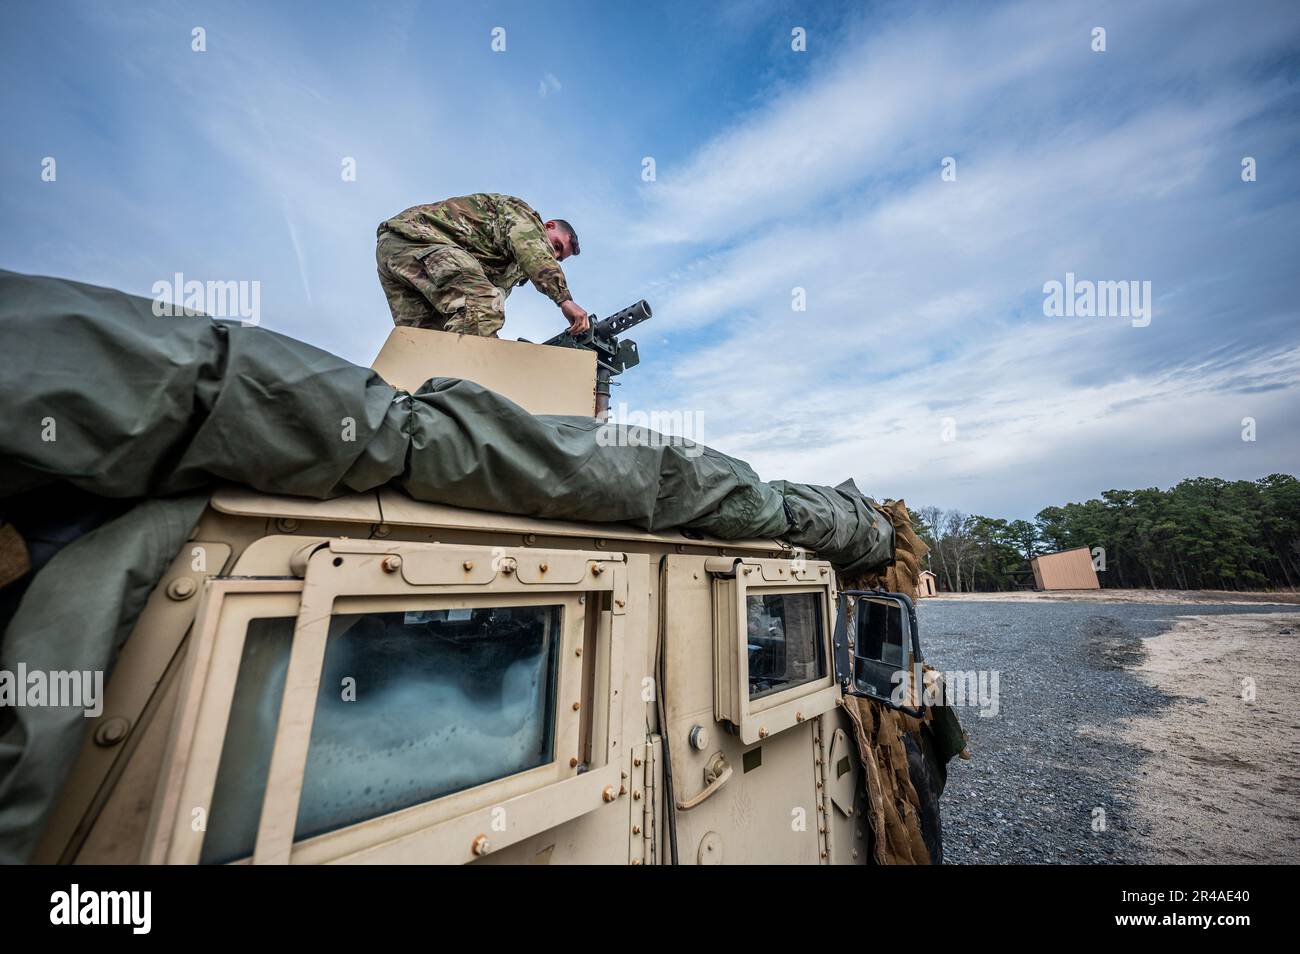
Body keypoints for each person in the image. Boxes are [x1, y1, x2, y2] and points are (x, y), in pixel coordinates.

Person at [375, 193, 589, 338]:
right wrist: (565, 300)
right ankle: (460, 393)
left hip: (401, 254)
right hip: (419, 239)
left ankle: (418, 399)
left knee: (427, 342)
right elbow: (533, 252)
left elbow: (481, 319)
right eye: (557, 246)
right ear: (548, 225)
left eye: (559, 257)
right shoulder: (522, 216)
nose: (554, 254)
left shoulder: (508, 269)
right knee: (482, 303)